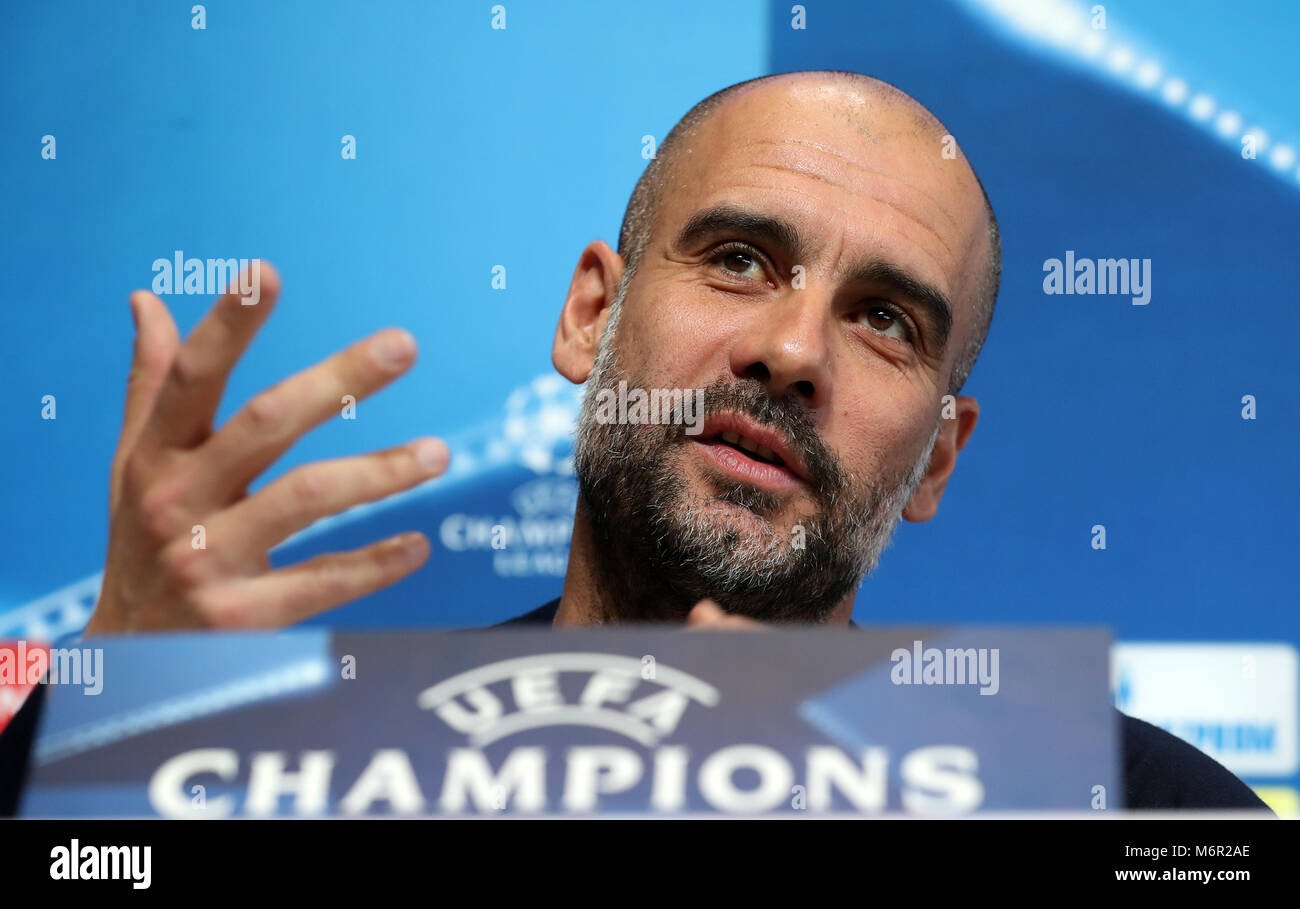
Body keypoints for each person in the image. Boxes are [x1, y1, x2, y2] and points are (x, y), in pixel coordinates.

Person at [0, 71, 1270, 813]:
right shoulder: (298, 769)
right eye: (736, 260)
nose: (790, 351)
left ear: (937, 457)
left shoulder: (1122, 808)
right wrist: (108, 706)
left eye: (883, 321)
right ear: (590, 314)